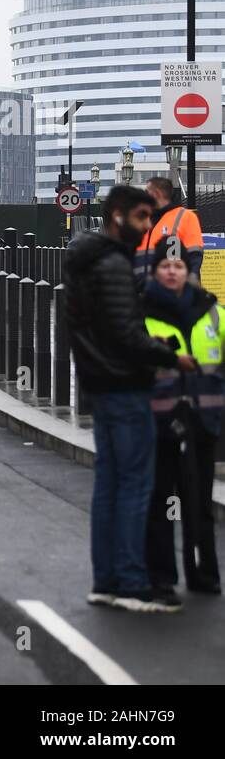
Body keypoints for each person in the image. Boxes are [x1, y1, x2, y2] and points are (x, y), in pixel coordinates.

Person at [64, 183, 196, 613]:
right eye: (142, 218)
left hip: (100, 384)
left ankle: (106, 580)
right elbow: (125, 332)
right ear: (118, 216)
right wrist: (170, 358)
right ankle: (132, 583)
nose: (148, 229)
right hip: (124, 385)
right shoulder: (113, 263)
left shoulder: (85, 258)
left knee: (109, 486)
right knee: (135, 488)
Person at [142, 239, 222, 595]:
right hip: (160, 423)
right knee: (160, 501)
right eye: (165, 266)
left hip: (204, 421)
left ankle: (204, 574)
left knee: (199, 502)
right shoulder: (141, 314)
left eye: (178, 265)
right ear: (155, 272)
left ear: (188, 271)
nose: (173, 271)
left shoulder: (213, 313)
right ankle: (162, 577)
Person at [136, 177, 204, 283]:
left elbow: (194, 256)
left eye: (147, 192)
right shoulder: (144, 219)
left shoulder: (186, 217)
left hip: (173, 290)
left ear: (156, 194)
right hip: (144, 292)